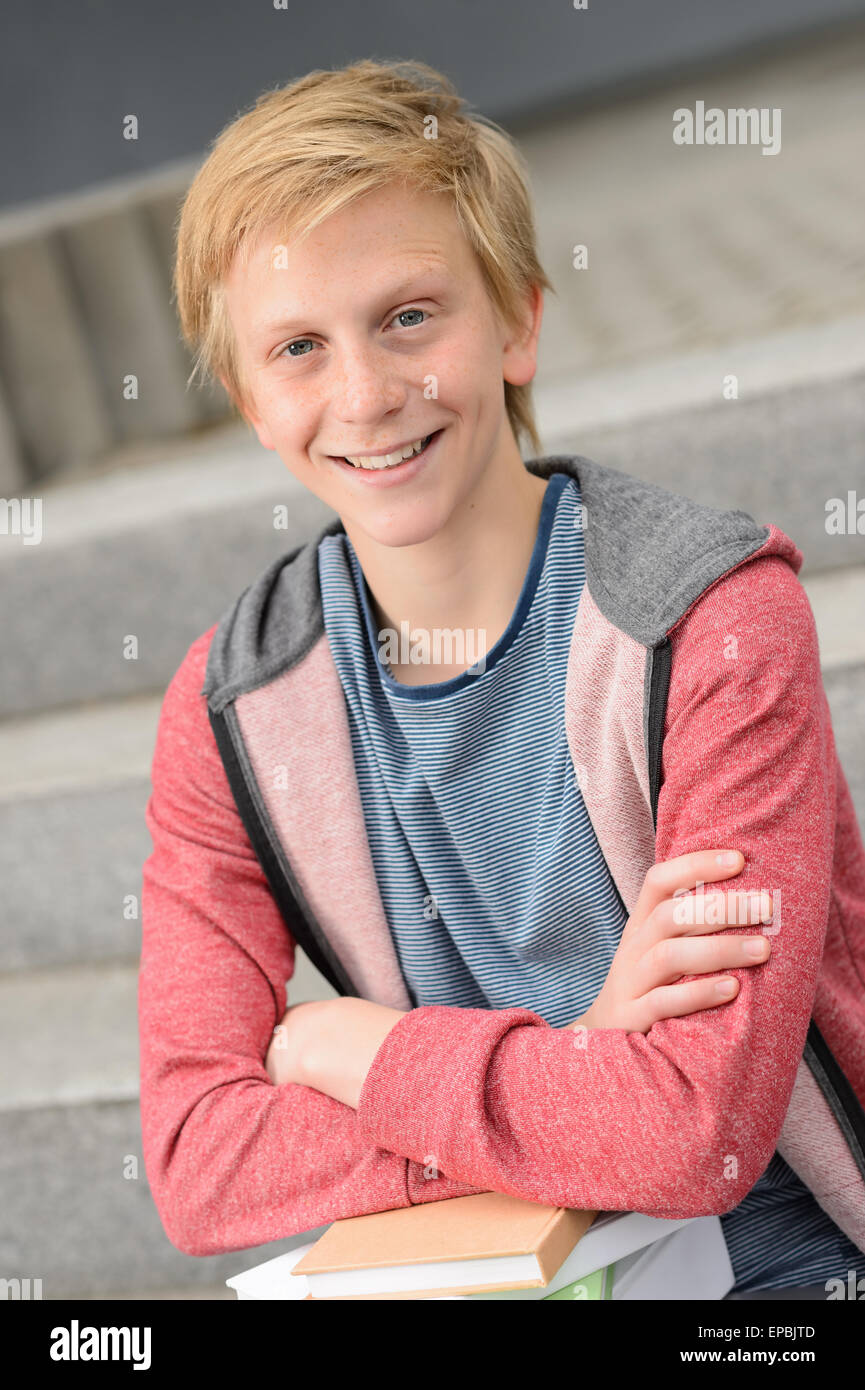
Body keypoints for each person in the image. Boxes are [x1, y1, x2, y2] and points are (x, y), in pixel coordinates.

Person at [140, 59, 865, 1296]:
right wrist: (580, 1060)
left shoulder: (713, 620)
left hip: (782, 1274)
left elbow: (700, 1132)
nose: (365, 395)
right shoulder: (233, 704)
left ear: (519, 321)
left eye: (410, 316)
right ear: (252, 399)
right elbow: (201, 1163)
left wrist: (355, 1050)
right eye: (300, 347)